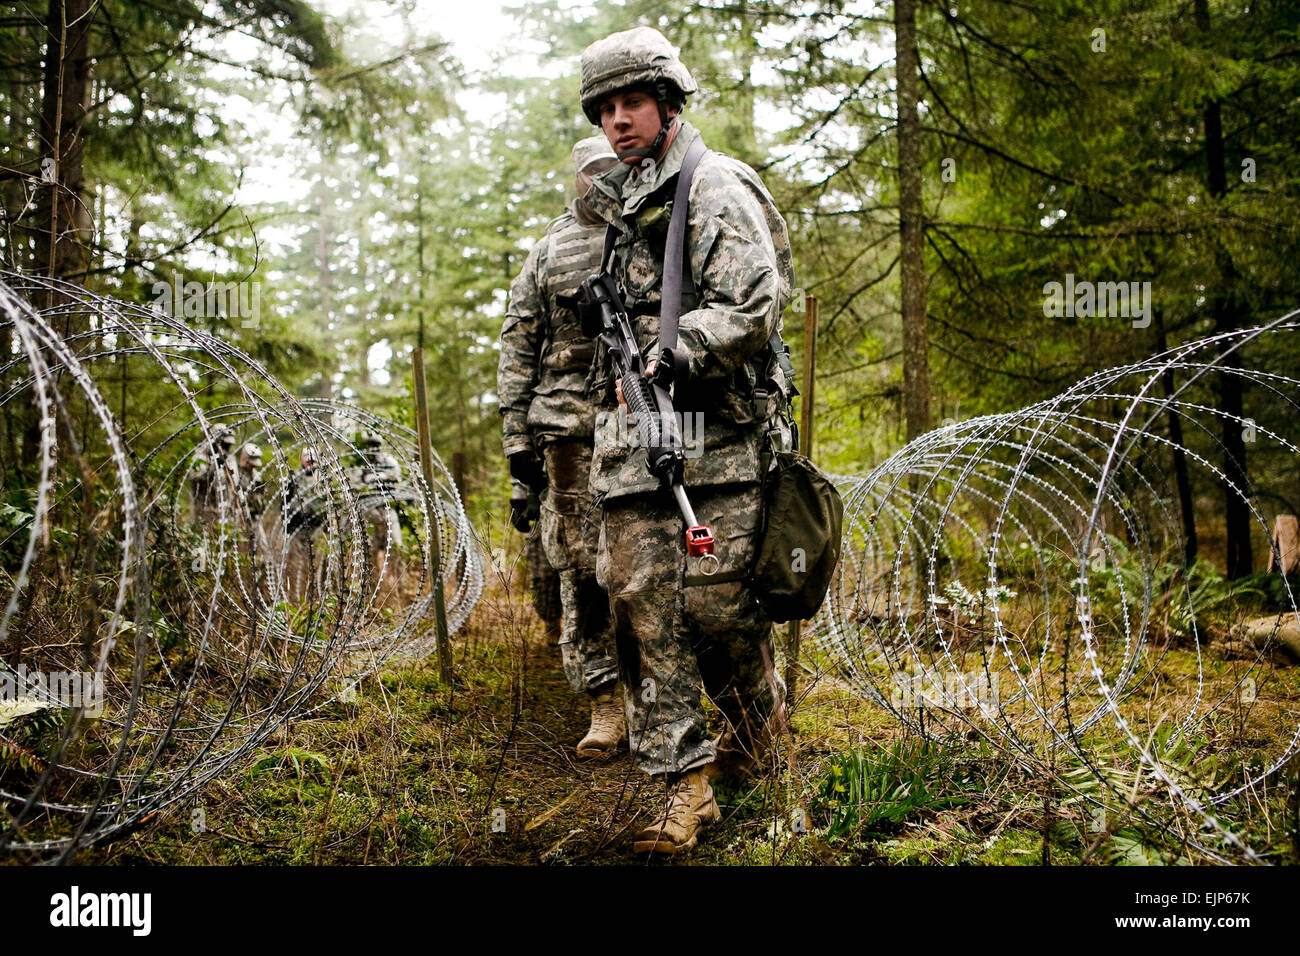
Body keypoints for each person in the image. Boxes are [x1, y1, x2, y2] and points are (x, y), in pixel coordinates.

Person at [577, 26, 796, 854]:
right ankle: (684, 785)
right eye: (605, 109)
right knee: (643, 610)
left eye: (631, 102)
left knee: (716, 608)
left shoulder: (713, 185)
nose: (617, 121)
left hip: (719, 440)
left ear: (667, 101)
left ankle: (754, 728)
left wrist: (675, 349)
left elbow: (750, 301)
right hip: (634, 441)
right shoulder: (619, 202)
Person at [498, 136, 626, 758]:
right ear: (575, 178)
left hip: (638, 421)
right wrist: (518, 447)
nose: (602, 182)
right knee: (580, 569)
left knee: (650, 561)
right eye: (591, 172)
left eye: (612, 169)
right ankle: (605, 702)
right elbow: (518, 346)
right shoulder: (548, 253)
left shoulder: (646, 233)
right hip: (568, 432)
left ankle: (661, 696)